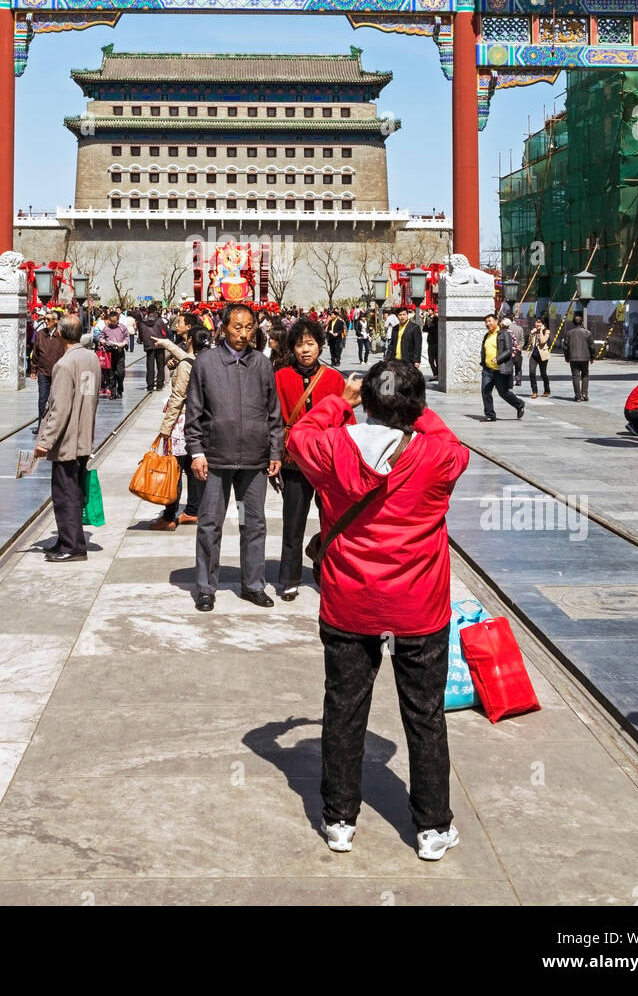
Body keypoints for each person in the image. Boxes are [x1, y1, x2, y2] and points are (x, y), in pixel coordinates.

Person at [286, 360, 469, 860]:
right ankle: (432, 828)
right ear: (416, 405)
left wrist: (339, 400)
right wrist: (418, 412)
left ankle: (340, 819)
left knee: (344, 708)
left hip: (350, 602)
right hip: (419, 605)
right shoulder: (437, 455)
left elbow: (298, 435)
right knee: (425, 715)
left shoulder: (332, 448)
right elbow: (454, 445)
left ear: (365, 400)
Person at [184, 303, 284, 611]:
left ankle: (253, 584)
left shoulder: (262, 365)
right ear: (224, 328)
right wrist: (197, 451)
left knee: (253, 523)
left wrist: (275, 449)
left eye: (249, 327)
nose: (243, 333)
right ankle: (205, 587)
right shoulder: (206, 363)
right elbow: (194, 412)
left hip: (254, 461)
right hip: (215, 459)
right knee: (210, 523)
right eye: (237, 327)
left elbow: (274, 413)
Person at [274, 318, 349, 600]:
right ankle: (289, 577)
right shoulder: (281, 377)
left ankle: (329, 573)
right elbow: (274, 419)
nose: (305, 350)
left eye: (310, 344)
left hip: (328, 461)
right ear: (292, 348)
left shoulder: (333, 379)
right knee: (293, 521)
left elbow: (346, 420)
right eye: (299, 344)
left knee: (333, 521)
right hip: (295, 460)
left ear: (320, 345)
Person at [34, 316, 102, 563]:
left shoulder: (64, 364)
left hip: (67, 440)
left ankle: (72, 546)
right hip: (85, 433)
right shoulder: (91, 358)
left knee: (65, 493)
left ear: (61, 335)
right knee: (73, 489)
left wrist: (45, 440)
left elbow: (59, 408)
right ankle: (66, 538)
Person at [150, 326, 210, 529]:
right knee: (191, 467)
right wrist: (166, 343)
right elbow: (185, 355)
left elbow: (178, 397)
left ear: (191, 339)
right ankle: (192, 511)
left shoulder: (186, 365)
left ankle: (168, 516)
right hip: (199, 422)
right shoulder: (207, 361)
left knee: (172, 469)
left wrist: (165, 428)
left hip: (181, 422)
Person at [480, 314, 525, 421]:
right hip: (487, 369)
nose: (488, 324)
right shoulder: (487, 335)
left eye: (490, 321)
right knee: (485, 391)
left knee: (503, 393)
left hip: (500, 369)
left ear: (496, 321)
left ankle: (519, 404)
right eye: (486, 322)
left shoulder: (504, 334)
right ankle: (490, 414)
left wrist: (498, 359)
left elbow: (508, 350)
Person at [30, 308, 65, 433]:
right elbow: (36, 354)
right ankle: (41, 425)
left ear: (56, 321)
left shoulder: (62, 334)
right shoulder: (40, 334)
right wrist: (33, 369)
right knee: (42, 399)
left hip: (58, 372)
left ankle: (56, 426)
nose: (46, 321)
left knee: (57, 399)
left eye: (49, 319)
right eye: (45, 319)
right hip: (43, 372)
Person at [138, 303, 171, 392]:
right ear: (155, 312)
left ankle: (150, 385)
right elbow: (165, 332)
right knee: (160, 366)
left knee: (150, 366)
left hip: (149, 345)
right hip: (159, 344)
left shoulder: (143, 322)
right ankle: (160, 384)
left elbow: (141, 334)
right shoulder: (160, 321)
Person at [563, 313, 595, 402]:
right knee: (585, 375)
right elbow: (592, 346)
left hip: (573, 358)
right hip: (585, 358)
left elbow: (565, 346)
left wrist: (567, 357)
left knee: (575, 376)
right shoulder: (588, 333)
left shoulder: (569, 333)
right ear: (582, 322)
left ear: (573, 322)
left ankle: (577, 396)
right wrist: (592, 357)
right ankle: (584, 394)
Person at [98, 310, 129, 399]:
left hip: (119, 351)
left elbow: (127, 337)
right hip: (109, 352)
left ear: (118, 320)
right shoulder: (106, 328)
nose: (113, 323)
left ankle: (120, 389)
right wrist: (102, 341)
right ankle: (113, 392)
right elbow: (101, 337)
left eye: (115, 321)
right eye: (111, 321)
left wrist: (124, 343)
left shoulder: (123, 328)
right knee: (110, 374)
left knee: (120, 373)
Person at [528, 316, 552, 398]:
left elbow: (542, 341)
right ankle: (534, 391)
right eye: (536, 322)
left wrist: (541, 331)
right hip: (533, 355)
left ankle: (547, 390)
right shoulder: (534, 332)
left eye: (539, 322)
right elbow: (530, 343)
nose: (537, 324)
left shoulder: (547, 331)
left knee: (543, 374)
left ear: (543, 324)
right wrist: (531, 334)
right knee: (531, 373)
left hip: (542, 356)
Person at [509, 312, 525, 387]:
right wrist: (520, 346)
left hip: (509, 351)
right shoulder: (520, 328)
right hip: (518, 350)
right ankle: (518, 380)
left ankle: (510, 381)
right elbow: (522, 339)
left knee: (510, 366)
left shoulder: (506, 329)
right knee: (518, 366)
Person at [425, 312, 439, 378]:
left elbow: (424, 329)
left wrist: (426, 323)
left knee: (431, 360)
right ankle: (437, 373)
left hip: (432, 345)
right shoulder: (438, 327)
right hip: (437, 345)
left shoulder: (432, 327)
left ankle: (436, 373)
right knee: (437, 360)